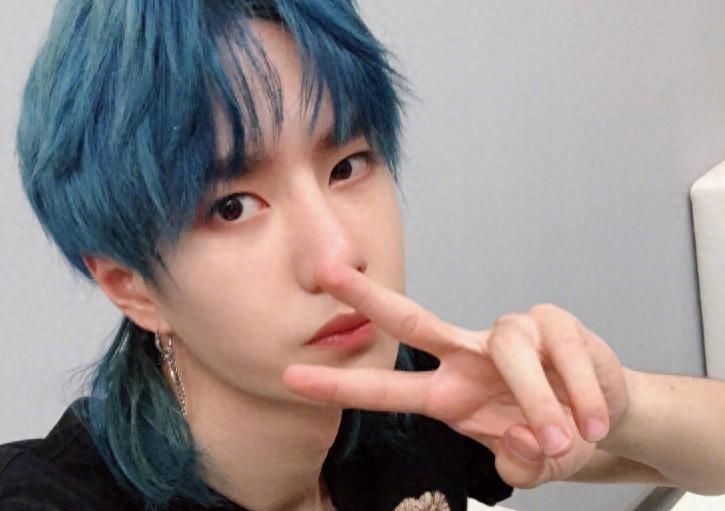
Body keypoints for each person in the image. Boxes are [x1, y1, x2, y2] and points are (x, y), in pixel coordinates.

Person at [1, 1, 723, 510]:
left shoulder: (417, 397)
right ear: (130, 284)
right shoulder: (52, 494)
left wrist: (618, 406)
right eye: (232, 206)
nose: (337, 254)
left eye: (347, 165)